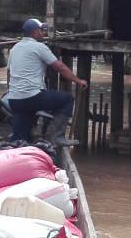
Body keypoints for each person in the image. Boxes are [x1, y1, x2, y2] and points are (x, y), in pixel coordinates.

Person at [7, 18, 88, 146]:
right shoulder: (39, 47)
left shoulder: (14, 49)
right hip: (32, 97)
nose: (43, 33)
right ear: (34, 32)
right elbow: (59, 67)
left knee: (20, 140)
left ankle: (20, 144)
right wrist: (78, 81)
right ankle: (56, 136)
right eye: (41, 30)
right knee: (66, 99)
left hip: (14, 100)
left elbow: (9, 73)